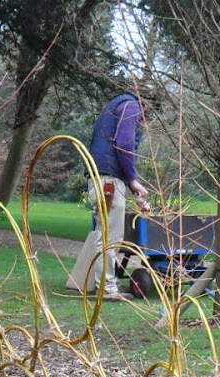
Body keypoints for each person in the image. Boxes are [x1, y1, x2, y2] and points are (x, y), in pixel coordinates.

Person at [67, 90, 152, 300]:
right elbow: (125, 144)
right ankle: (107, 288)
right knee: (110, 237)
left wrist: (133, 186)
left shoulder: (116, 105)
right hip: (108, 181)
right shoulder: (131, 106)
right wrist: (132, 179)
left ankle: (107, 283)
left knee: (105, 234)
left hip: (103, 178)